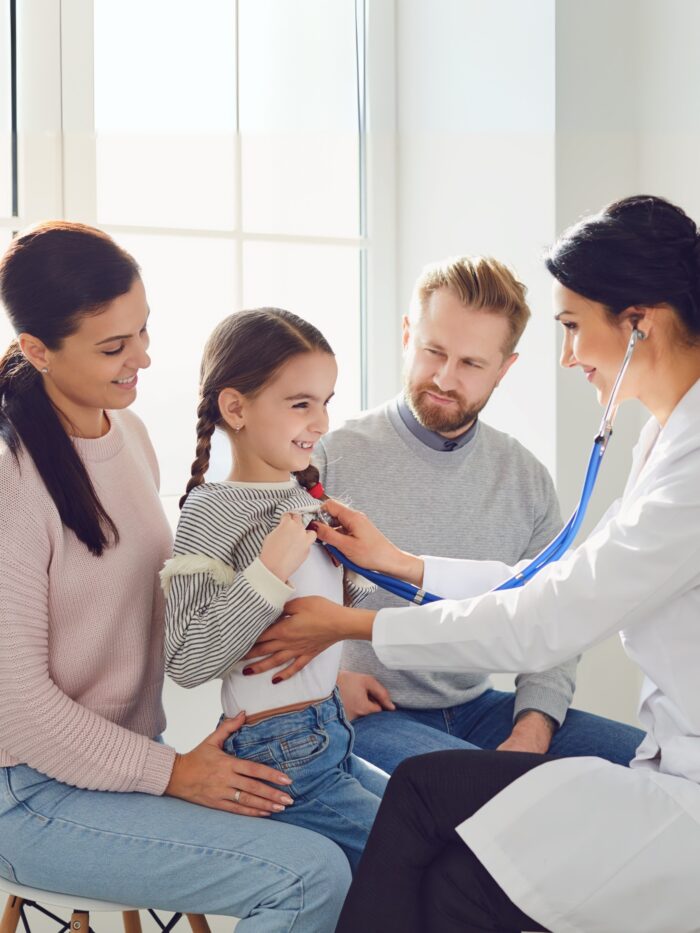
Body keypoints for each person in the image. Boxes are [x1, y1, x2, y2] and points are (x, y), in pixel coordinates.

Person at [244, 194, 700, 932]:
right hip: (395, 708)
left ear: (639, 320)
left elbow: (554, 614)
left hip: (675, 777)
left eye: (574, 326)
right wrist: (400, 569)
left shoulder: (680, 458)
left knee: (452, 832)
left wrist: (353, 624)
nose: (571, 355)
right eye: (433, 350)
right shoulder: (668, 438)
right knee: (450, 852)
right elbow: (558, 590)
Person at [0, 223, 352, 932]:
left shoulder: (126, 435)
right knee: (311, 875)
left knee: (393, 839)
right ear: (36, 349)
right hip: (30, 794)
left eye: (143, 331)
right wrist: (172, 774)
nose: (144, 359)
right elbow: (17, 708)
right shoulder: (11, 476)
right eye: (113, 347)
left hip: (127, 765)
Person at [316, 255, 643, 769]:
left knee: (648, 764)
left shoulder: (525, 477)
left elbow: (553, 617)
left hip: (482, 709)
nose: (445, 378)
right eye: (433, 352)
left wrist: (534, 724)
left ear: (504, 368)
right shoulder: (329, 458)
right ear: (407, 336)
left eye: (470, 364)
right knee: (477, 790)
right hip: (373, 711)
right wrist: (327, 683)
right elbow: (272, 605)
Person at [162, 308, 386, 874]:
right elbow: (188, 661)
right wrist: (266, 571)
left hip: (330, 728)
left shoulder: (306, 499)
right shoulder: (210, 512)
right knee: (423, 860)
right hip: (277, 750)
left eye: (327, 401)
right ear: (235, 408)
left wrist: (357, 566)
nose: (323, 421)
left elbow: (314, 623)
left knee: (440, 830)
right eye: (301, 403)